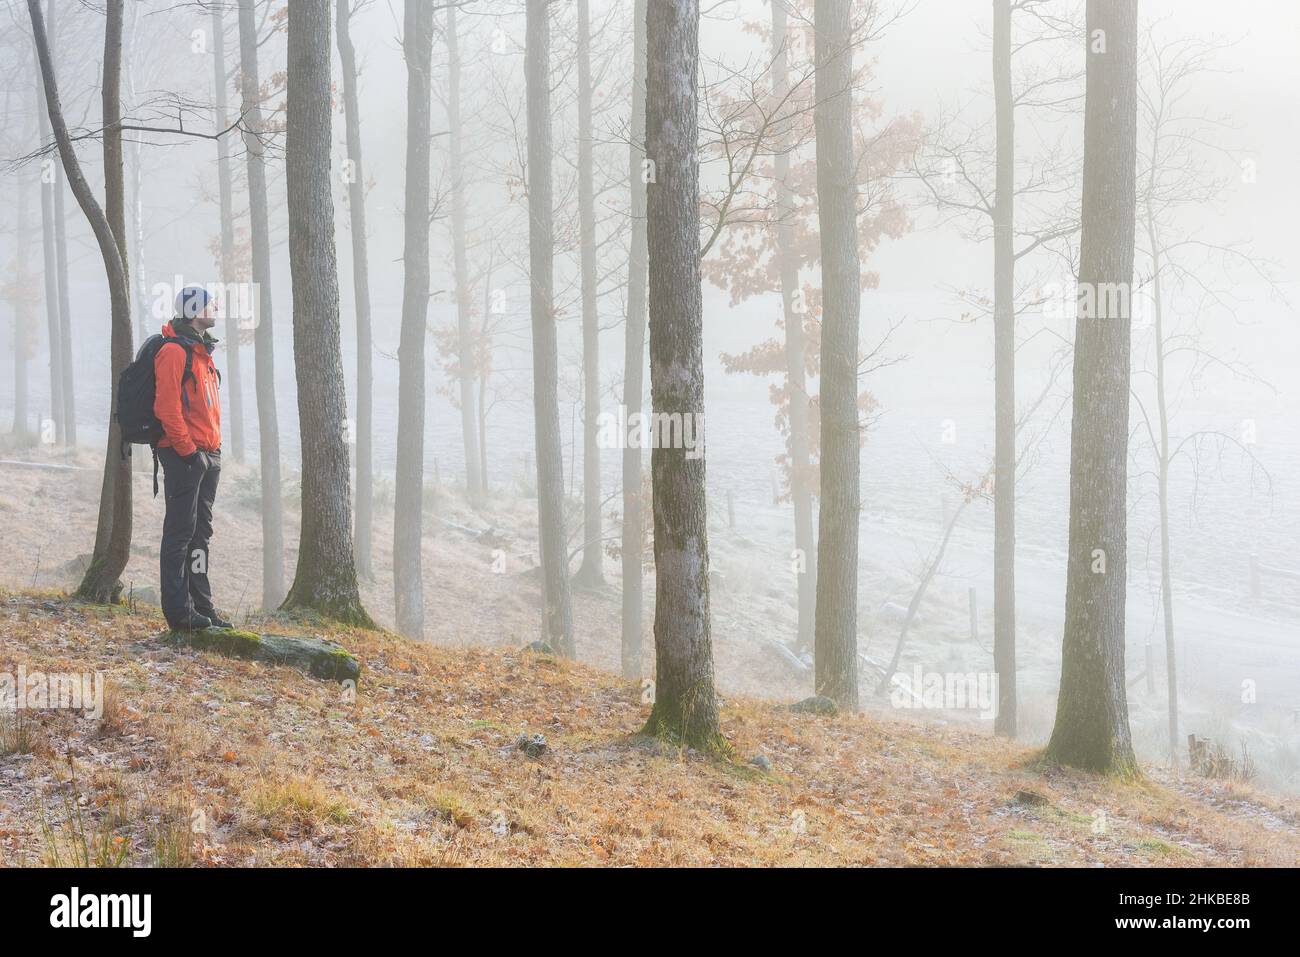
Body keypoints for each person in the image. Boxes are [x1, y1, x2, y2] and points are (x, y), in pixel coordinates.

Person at [155, 285, 231, 630]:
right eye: (209, 304)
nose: (215, 308)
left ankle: (203, 606)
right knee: (180, 534)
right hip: (184, 455)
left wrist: (212, 454)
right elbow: (166, 409)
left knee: (201, 535)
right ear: (193, 311)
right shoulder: (174, 351)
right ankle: (179, 613)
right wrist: (190, 453)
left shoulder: (202, 352)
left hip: (208, 455)